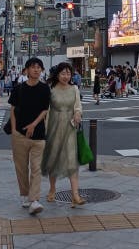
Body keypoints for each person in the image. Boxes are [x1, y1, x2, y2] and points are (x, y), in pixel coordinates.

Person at [8, 57, 51, 215]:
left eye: (39, 67)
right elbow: (12, 110)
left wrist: (34, 124)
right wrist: (13, 130)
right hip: (19, 134)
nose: (36, 69)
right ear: (26, 70)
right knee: (21, 168)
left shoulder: (45, 88)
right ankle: (25, 194)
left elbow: (45, 109)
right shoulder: (18, 89)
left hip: (38, 135)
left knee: (36, 168)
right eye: (33, 67)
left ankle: (34, 200)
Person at [42, 62, 86, 207]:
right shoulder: (51, 89)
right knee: (53, 158)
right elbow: (45, 109)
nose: (66, 76)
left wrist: (78, 113)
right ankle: (52, 188)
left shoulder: (74, 88)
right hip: (53, 127)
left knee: (71, 160)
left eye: (68, 73)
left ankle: (75, 195)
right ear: (57, 74)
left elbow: (78, 106)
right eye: (63, 73)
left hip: (70, 127)